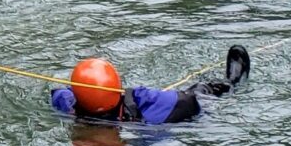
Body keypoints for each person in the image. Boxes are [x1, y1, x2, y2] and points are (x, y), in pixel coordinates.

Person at [52, 48, 250, 124]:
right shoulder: (141, 100)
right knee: (198, 91)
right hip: (182, 115)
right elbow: (187, 101)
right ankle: (231, 83)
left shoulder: (67, 104)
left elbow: (58, 92)